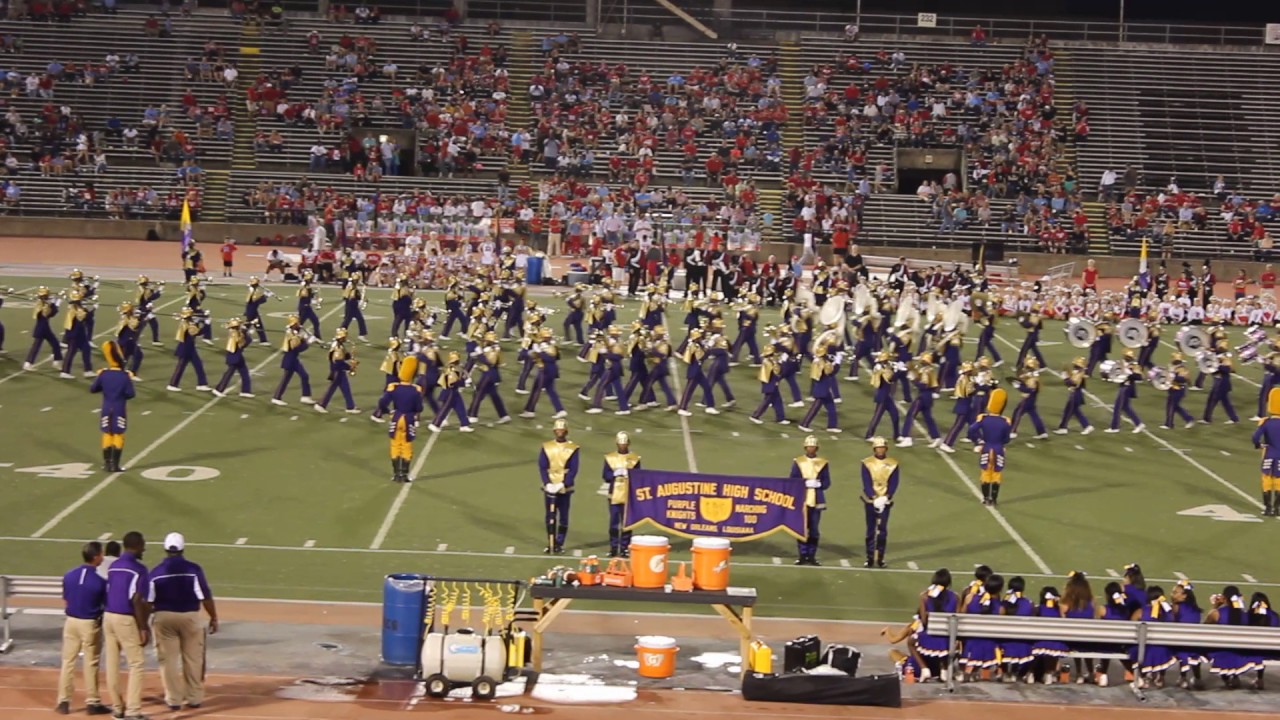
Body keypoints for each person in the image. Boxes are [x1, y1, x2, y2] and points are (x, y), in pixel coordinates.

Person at [148, 532, 218, 711]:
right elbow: (205, 596)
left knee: (168, 661)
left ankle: (173, 699)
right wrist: (213, 617)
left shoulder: (156, 572)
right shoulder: (193, 569)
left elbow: (148, 601)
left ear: (165, 549)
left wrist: (143, 623)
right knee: (193, 658)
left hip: (163, 617)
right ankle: (194, 697)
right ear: (182, 548)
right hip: (189, 616)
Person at [57, 541, 111, 716]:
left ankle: (63, 701)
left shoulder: (69, 575)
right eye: (101, 554)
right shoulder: (100, 581)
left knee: (68, 661)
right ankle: (93, 701)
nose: (102, 557)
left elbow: (66, 598)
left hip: (71, 621)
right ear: (95, 557)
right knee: (91, 662)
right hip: (89, 623)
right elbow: (105, 603)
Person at [103, 531, 150, 720]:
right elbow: (137, 599)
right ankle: (133, 711)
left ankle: (117, 708)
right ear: (137, 546)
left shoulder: (114, 566)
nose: (144, 549)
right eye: (143, 545)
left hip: (109, 616)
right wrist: (143, 627)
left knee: (112, 663)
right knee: (136, 663)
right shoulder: (139, 569)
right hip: (125, 617)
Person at [376, 356, 424, 483]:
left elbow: (382, 402)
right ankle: (404, 475)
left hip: (396, 418)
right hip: (408, 418)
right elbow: (419, 408)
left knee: (395, 445)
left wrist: (388, 412)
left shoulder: (394, 387)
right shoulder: (416, 390)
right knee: (407, 446)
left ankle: (396, 474)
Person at [90, 341, 136, 473]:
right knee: (118, 434)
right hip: (119, 408)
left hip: (106, 407)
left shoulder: (104, 374)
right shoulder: (124, 376)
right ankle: (115, 465)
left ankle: (106, 464)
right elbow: (130, 394)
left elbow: (93, 389)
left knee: (107, 433)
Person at [788, 435, 831, 566]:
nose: (811, 449)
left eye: (813, 446)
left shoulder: (823, 462)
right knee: (801, 529)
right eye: (809, 446)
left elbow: (827, 482)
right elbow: (792, 480)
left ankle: (811, 555)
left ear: (816, 448)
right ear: (805, 447)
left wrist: (818, 485)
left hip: (816, 500)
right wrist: (805, 483)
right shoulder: (798, 461)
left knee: (814, 529)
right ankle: (802, 554)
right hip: (802, 499)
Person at [538, 418, 579, 554]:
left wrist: (564, 483)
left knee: (563, 516)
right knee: (550, 515)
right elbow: (542, 466)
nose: (559, 432)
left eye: (562, 430)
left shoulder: (573, 448)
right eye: (557, 430)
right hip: (550, 485)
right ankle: (550, 542)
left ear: (566, 431)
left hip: (564, 487)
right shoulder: (547, 446)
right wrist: (547, 483)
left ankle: (559, 543)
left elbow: (573, 469)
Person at [860, 436, 899, 568]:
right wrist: (873, 497)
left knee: (882, 530)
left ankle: (880, 558)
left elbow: (894, 482)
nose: (880, 450)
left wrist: (886, 497)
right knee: (870, 530)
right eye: (878, 448)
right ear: (874, 449)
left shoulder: (893, 464)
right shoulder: (867, 463)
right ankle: (870, 557)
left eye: (882, 448)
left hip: (885, 501)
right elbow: (866, 482)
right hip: (870, 501)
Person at [969, 388, 1011, 506]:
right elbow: (1007, 439)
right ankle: (994, 499)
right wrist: (1002, 443)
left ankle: (986, 498)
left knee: (986, 473)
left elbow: (972, 430)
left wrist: (979, 441)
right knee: (996, 474)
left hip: (986, 448)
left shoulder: (983, 418)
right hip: (998, 448)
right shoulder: (1006, 421)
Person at [603, 431, 641, 558]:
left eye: (624, 444)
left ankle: (625, 547)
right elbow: (605, 475)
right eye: (620, 444)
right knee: (613, 523)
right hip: (614, 494)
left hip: (628, 494)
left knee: (626, 523)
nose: (622, 446)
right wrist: (614, 474)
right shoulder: (610, 457)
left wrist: (630, 474)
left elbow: (639, 476)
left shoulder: (635, 458)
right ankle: (613, 547)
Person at [1252, 388, 1280, 516]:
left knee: (1267, 480)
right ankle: (1277, 509)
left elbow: (1255, 437)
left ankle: (1268, 508)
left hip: (1269, 453)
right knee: (1279, 481)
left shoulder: (1265, 422)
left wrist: (1258, 445)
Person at [212, 318, 252, 398]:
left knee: (244, 372)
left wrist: (245, 331)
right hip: (235, 356)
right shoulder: (235, 334)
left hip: (236, 355)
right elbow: (244, 343)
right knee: (229, 374)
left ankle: (245, 391)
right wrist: (246, 333)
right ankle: (219, 389)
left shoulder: (234, 332)